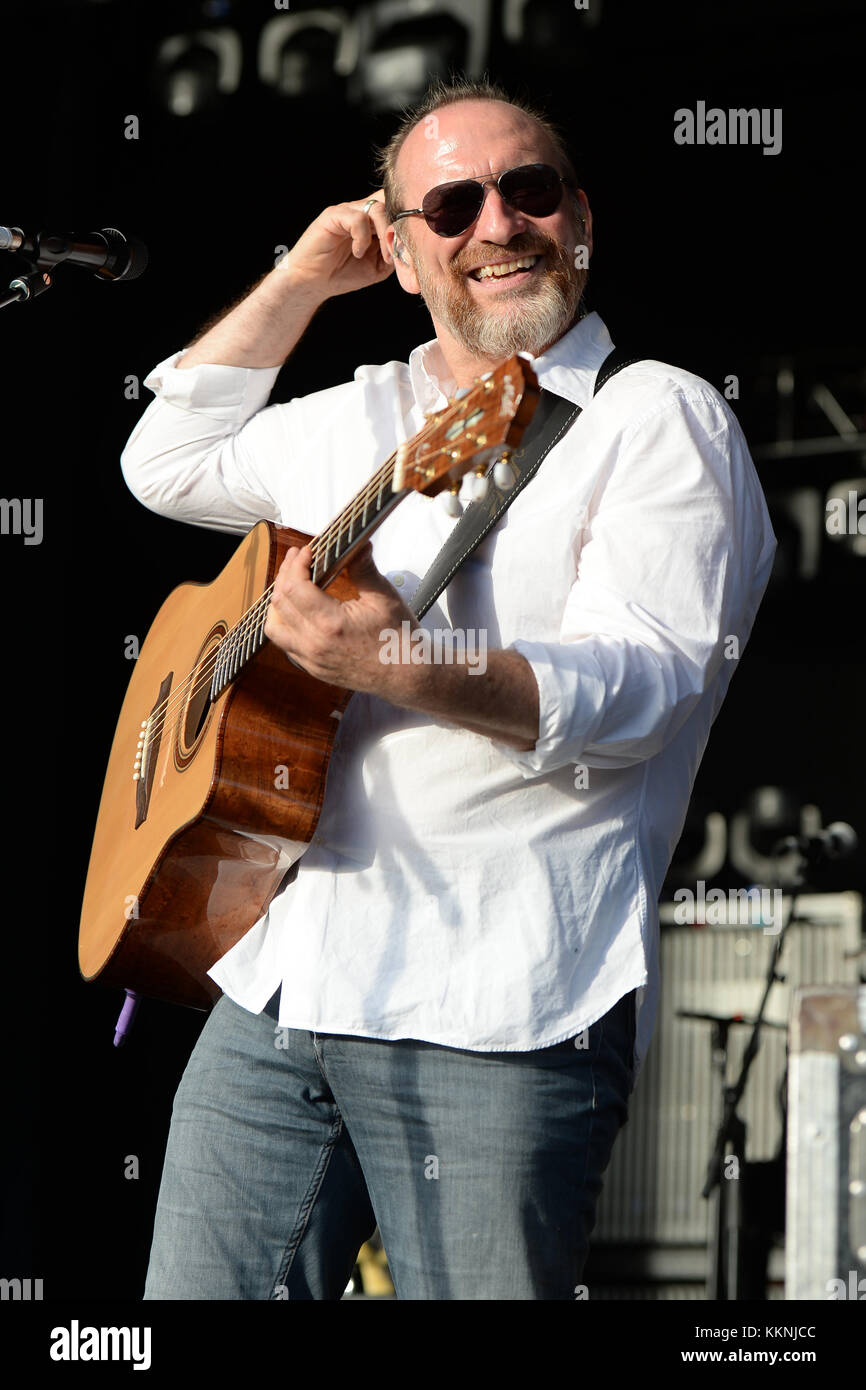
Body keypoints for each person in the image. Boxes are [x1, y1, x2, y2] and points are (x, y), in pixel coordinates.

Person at [121, 77, 776, 1300]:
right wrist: (304, 279)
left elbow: (641, 690)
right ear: (406, 247)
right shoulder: (356, 413)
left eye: (528, 191)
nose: (497, 224)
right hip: (285, 984)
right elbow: (164, 459)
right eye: (452, 203)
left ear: (578, 219)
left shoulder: (655, 418)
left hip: (500, 1002)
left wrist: (387, 664)